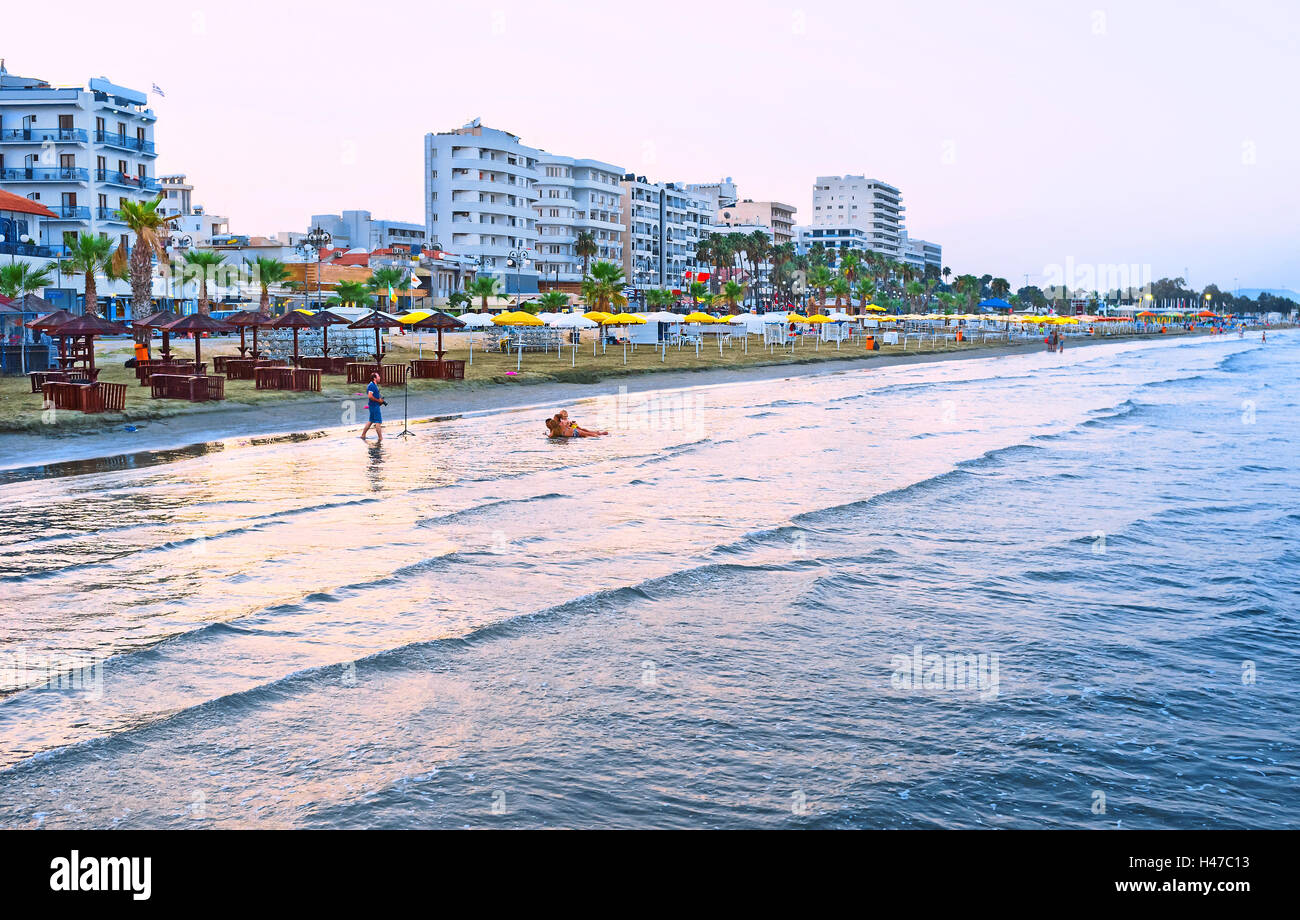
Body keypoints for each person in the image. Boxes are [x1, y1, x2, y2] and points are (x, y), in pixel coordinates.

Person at [360, 371, 386, 442]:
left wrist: (380, 401)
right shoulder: (371, 385)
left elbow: (373, 396)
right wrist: (379, 401)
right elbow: (370, 396)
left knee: (371, 420)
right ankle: (380, 438)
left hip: (373, 405)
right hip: (374, 406)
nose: (379, 377)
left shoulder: (374, 385)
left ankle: (363, 435)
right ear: (375, 378)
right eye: (378, 376)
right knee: (378, 422)